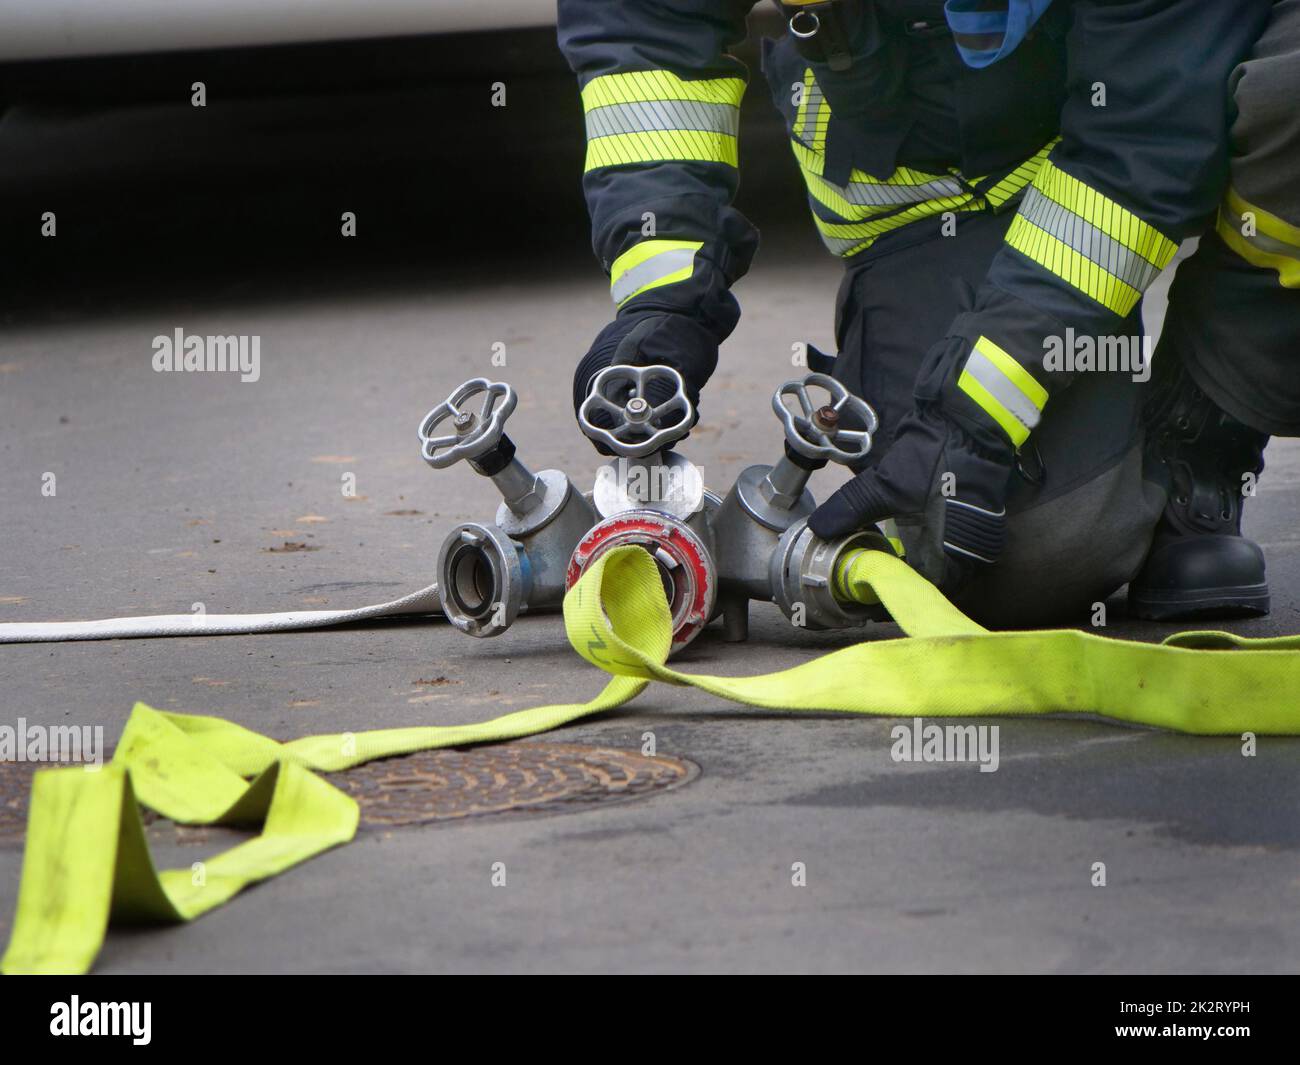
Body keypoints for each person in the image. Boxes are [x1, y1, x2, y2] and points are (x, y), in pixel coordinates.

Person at [558, 0, 1295, 625]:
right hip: (930, 207)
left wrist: (975, 405)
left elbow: (1144, 143)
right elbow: (643, 30)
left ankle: (1202, 437)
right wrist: (664, 291)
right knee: (1014, 553)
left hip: (1143, 120)